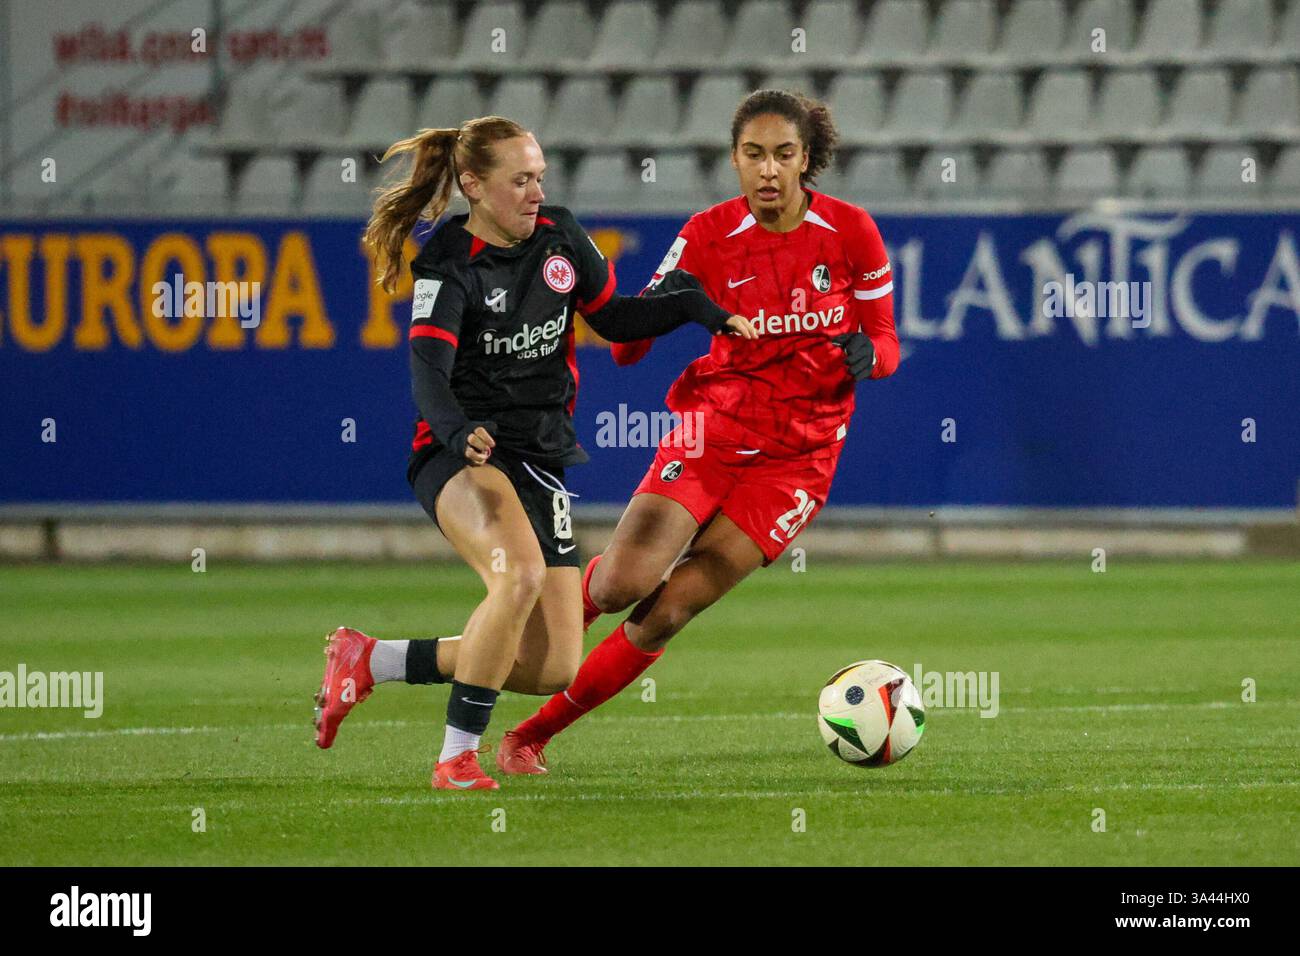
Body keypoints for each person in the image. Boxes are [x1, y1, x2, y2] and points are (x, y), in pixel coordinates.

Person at [312, 115, 756, 791]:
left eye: (539, 178)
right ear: (473, 186)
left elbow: (615, 319)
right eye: (519, 180)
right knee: (515, 577)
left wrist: (694, 306)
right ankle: (455, 759)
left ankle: (372, 660)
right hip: (465, 457)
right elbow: (428, 370)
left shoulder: (561, 237)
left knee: (551, 666)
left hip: (538, 459)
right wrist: (459, 431)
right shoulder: (447, 264)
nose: (534, 192)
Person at [498, 90, 899, 774]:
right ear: (734, 160)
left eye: (783, 155)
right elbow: (626, 344)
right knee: (624, 583)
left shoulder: (851, 232)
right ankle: (498, 653)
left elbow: (886, 342)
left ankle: (528, 737)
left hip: (798, 461)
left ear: (807, 161)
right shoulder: (709, 234)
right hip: (711, 432)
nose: (768, 171)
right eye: (753, 155)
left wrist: (870, 357)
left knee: (668, 610)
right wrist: (672, 301)